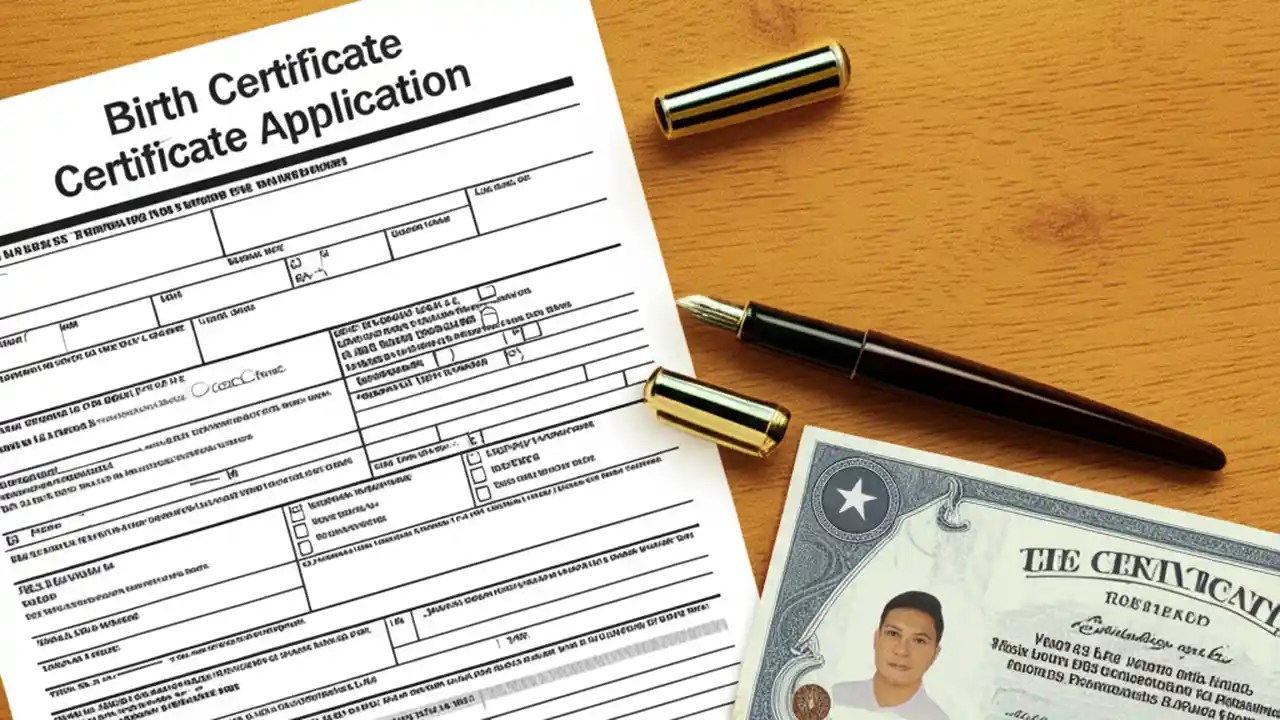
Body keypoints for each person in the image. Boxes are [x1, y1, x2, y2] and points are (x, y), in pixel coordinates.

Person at [830, 591, 950, 720]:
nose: (902, 650)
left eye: (919, 641)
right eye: (893, 634)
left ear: (935, 653)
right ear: (876, 638)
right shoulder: (836, 698)